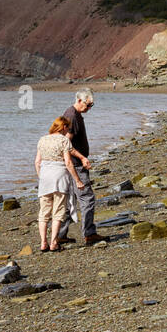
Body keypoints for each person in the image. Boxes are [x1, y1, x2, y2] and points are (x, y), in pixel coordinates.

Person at [56, 88, 100, 246]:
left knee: (68, 200)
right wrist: (81, 158)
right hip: (75, 165)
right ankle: (89, 233)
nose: (89, 108)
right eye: (88, 105)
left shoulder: (72, 113)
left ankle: (61, 235)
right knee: (86, 198)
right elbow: (65, 143)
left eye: (92, 106)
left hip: (69, 165)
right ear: (80, 100)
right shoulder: (73, 116)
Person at [34, 116, 81, 252]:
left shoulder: (42, 139)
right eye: (68, 128)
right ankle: (54, 242)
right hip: (59, 176)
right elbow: (68, 162)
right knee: (58, 211)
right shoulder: (63, 140)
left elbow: (37, 162)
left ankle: (43, 242)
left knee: (44, 213)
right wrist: (77, 180)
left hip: (45, 177)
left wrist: (41, 176)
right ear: (64, 127)